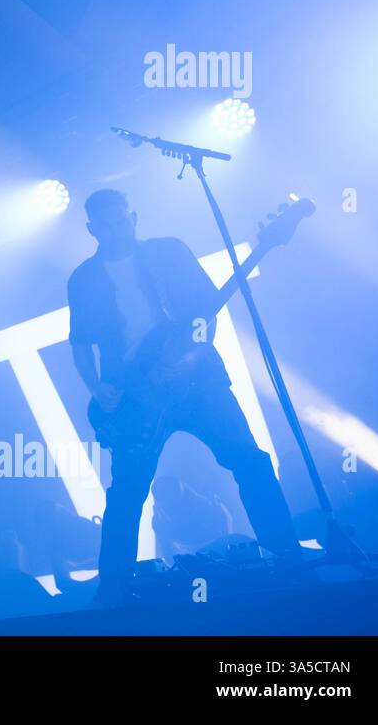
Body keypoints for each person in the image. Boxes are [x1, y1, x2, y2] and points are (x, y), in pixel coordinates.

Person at [66, 188, 300, 603]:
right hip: (135, 399)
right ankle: (114, 589)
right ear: (91, 229)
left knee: (250, 460)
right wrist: (96, 386)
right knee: (127, 491)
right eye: (106, 224)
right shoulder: (83, 279)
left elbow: (207, 310)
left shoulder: (169, 253)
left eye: (122, 220)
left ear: (133, 217)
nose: (117, 229)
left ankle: (288, 557)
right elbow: (80, 344)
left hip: (199, 384)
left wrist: (190, 356)